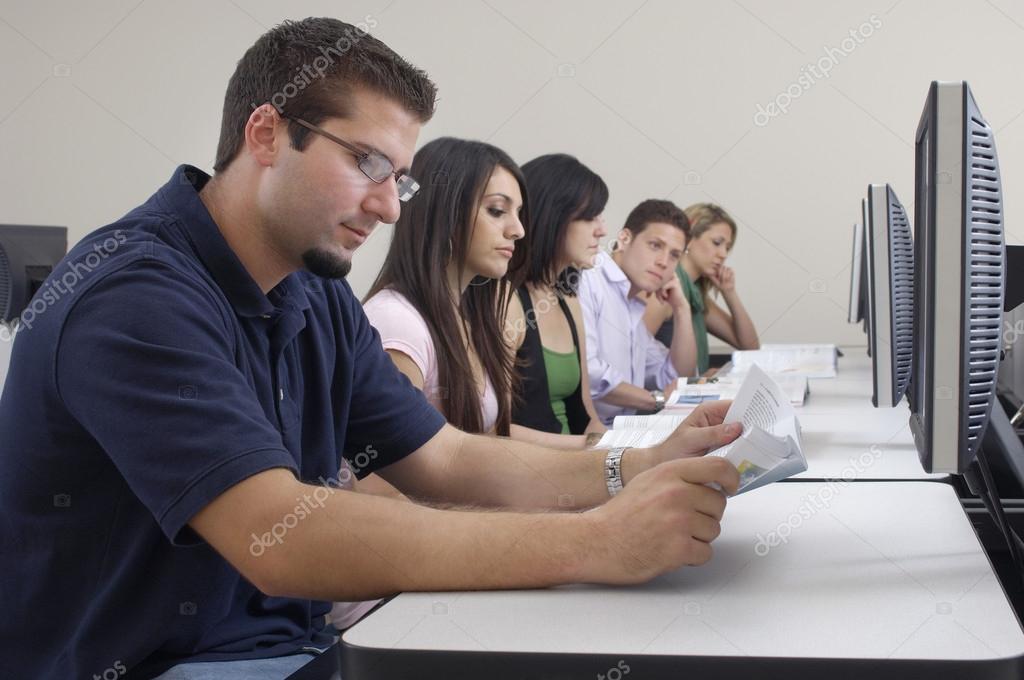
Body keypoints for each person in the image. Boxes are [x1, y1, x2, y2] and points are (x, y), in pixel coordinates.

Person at [0, 18, 739, 680]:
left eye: (401, 179)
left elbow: (445, 457)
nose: (389, 206)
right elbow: (278, 536)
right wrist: (595, 544)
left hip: (293, 647)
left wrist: (631, 468)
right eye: (368, 164)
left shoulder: (311, 288)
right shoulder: (134, 296)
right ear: (265, 134)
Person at [362, 136, 526, 438]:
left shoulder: (472, 316)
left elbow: (490, 442)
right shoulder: (397, 323)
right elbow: (382, 479)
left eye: (518, 213)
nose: (518, 230)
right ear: (446, 214)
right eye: (497, 211)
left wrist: (598, 448)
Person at [505, 154, 608, 441]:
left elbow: (587, 414)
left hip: (579, 462)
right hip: (534, 472)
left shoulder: (568, 300)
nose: (602, 230)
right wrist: (591, 449)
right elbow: (495, 431)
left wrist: (621, 450)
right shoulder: (506, 302)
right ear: (552, 216)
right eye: (589, 217)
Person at [578, 199, 698, 426]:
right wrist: (656, 400)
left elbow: (674, 378)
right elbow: (590, 374)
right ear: (624, 239)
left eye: (674, 255)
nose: (663, 262)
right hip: (585, 438)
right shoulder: (589, 277)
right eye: (655, 245)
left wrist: (682, 309)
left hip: (622, 433)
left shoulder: (630, 302)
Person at [643, 203, 759, 375]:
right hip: (663, 398)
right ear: (689, 238)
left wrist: (729, 292)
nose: (723, 254)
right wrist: (695, 381)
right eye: (717, 243)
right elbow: (632, 355)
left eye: (727, 247)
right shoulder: (667, 285)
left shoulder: (695, 294)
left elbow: (750, 346)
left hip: (690, 395)